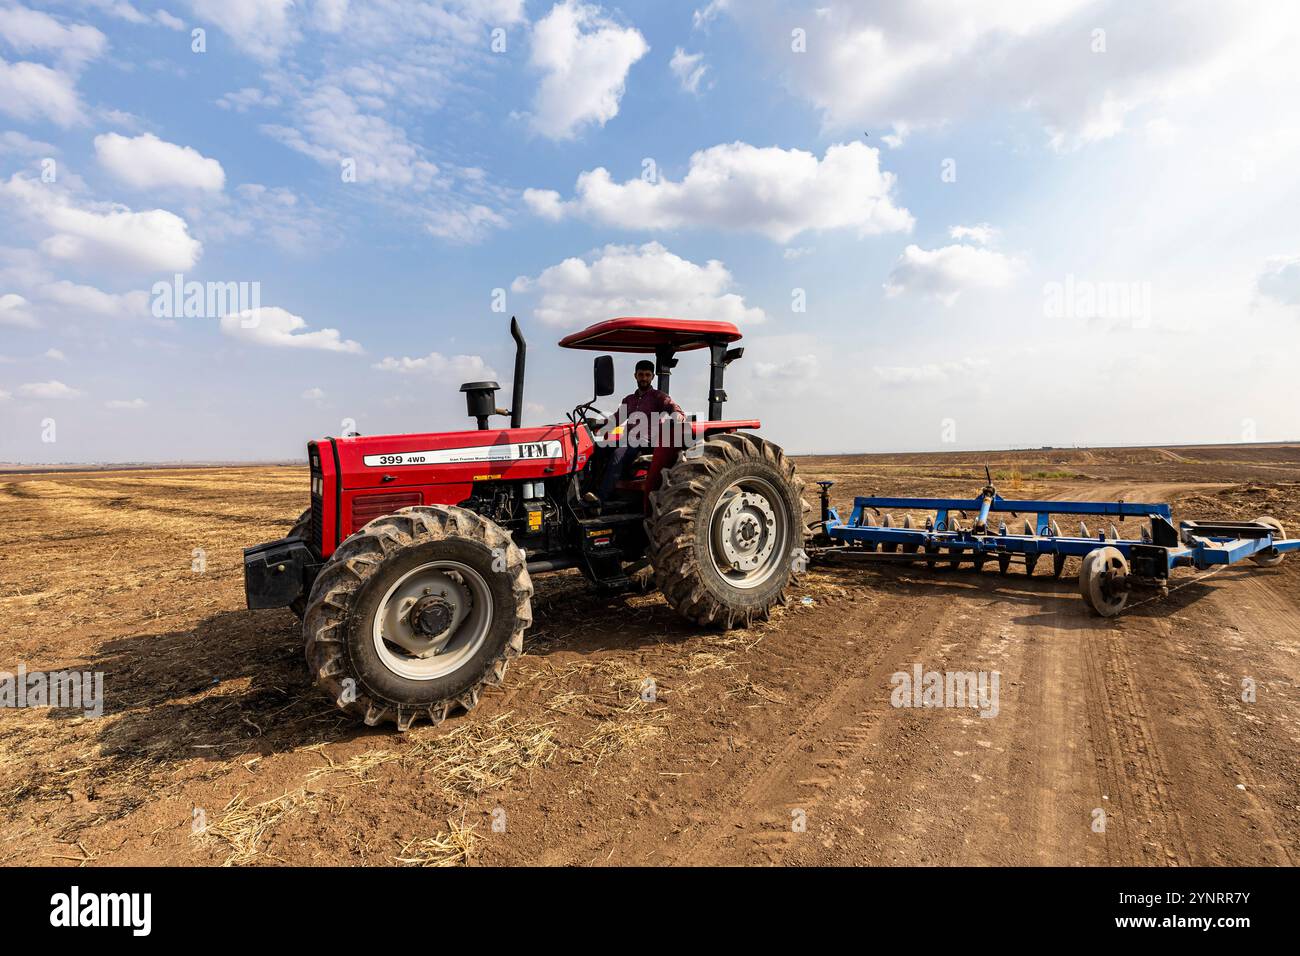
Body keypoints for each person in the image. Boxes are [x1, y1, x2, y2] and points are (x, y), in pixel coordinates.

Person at [587, 359, 684, 504]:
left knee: (618, 454)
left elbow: (674, 409)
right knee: (596, 450)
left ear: (652, 377)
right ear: (635, 376)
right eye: (641, 375)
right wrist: (597, 425)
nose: (644, 378)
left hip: (645, 443)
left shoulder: (658, 397)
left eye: (647, 375)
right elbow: (616, 419)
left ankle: (601, 498)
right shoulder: (629, 400)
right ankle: (589, 490)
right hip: (628, 440)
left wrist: (676, 417)